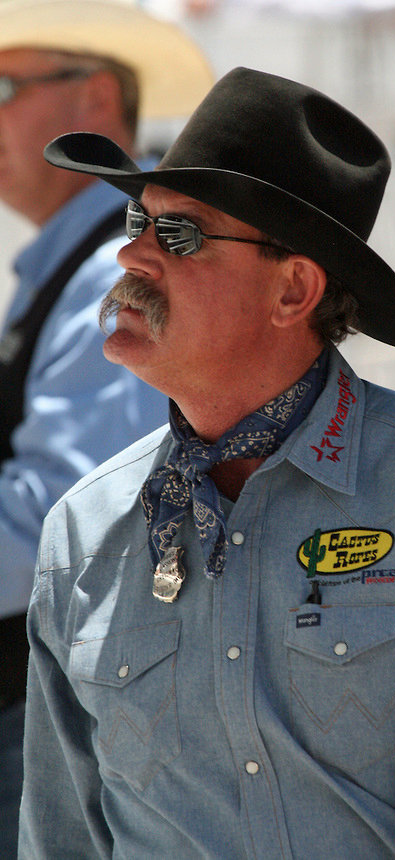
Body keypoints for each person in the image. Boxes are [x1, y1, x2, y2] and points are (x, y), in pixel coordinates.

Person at [20, 67, 395, 858]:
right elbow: (61, 838)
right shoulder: (81, 535)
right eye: (137, 220)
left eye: (178, 234)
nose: (132, 256)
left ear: (294, 291)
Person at [0, 1, 212, 854]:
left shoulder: (103, 273)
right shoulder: (86, 260)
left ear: (93, 102)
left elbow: (57, 525)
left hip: (48, 719)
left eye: (6, 86)